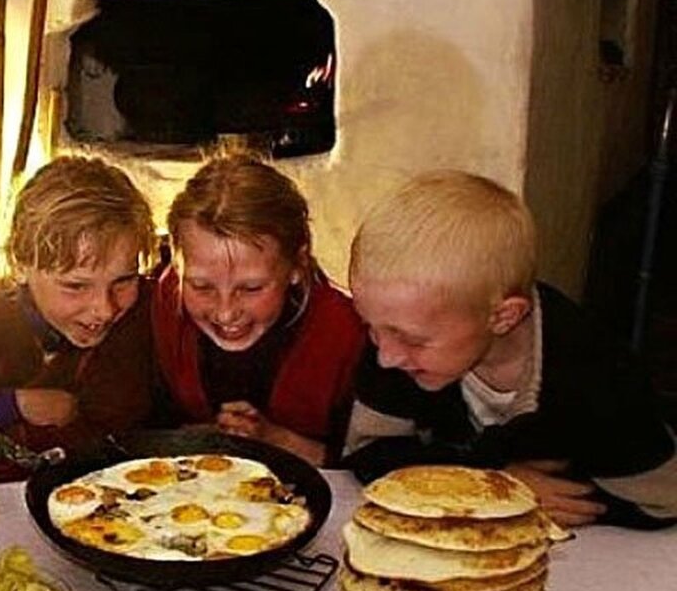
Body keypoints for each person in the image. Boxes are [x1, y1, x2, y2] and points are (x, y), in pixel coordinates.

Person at [342, 169, 677, 528]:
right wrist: (490, 485)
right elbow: (367, 454)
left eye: (413, 339)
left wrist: (533, 500)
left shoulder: (596, 377)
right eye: (371, 328)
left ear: (503, 317)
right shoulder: (399, 336)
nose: (385, 356)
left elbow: (663, 504)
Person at [0, 155, 156, 481]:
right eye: (75, 285)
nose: (105, 308)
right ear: (20, 264)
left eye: (123, 281)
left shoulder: (143, 315)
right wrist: (9, 405)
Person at [152, 153, 365, 467]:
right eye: (201, 286)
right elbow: (142, 427)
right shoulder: (160, 306)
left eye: (251, 289)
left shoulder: (348, 333)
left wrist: (276, 440)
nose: (225, 313)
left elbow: (374, 466)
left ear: (297, 264)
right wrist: (206, 437)